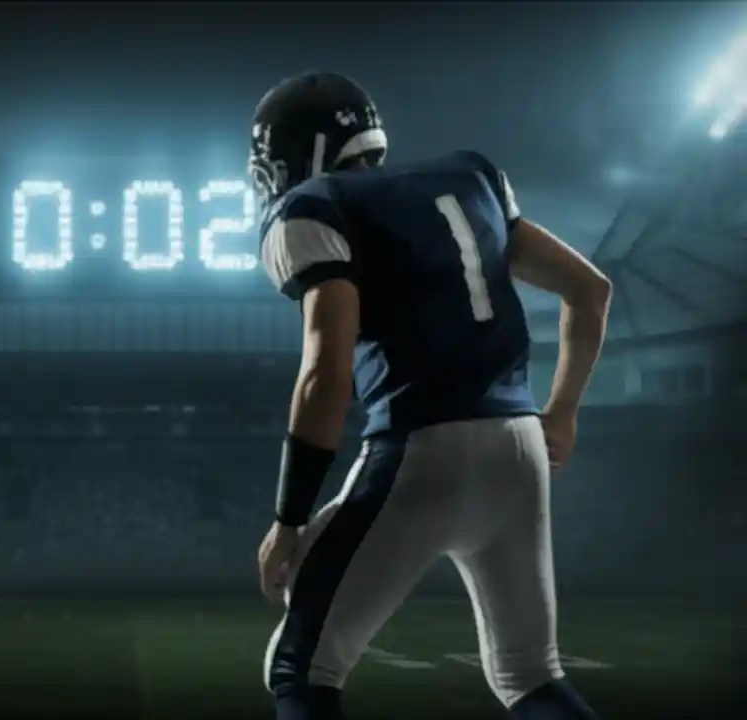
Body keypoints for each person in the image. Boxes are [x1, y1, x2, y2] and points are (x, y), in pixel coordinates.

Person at [251, 72, 611, 720]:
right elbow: (590, 290)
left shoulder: (316, 205)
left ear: (294, 155)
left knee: (301, 666)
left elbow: (324, 376)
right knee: (531, 676)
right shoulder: (475, 177)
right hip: (520, 444)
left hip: (419, 447)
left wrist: (287, 520)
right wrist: (563, 412)